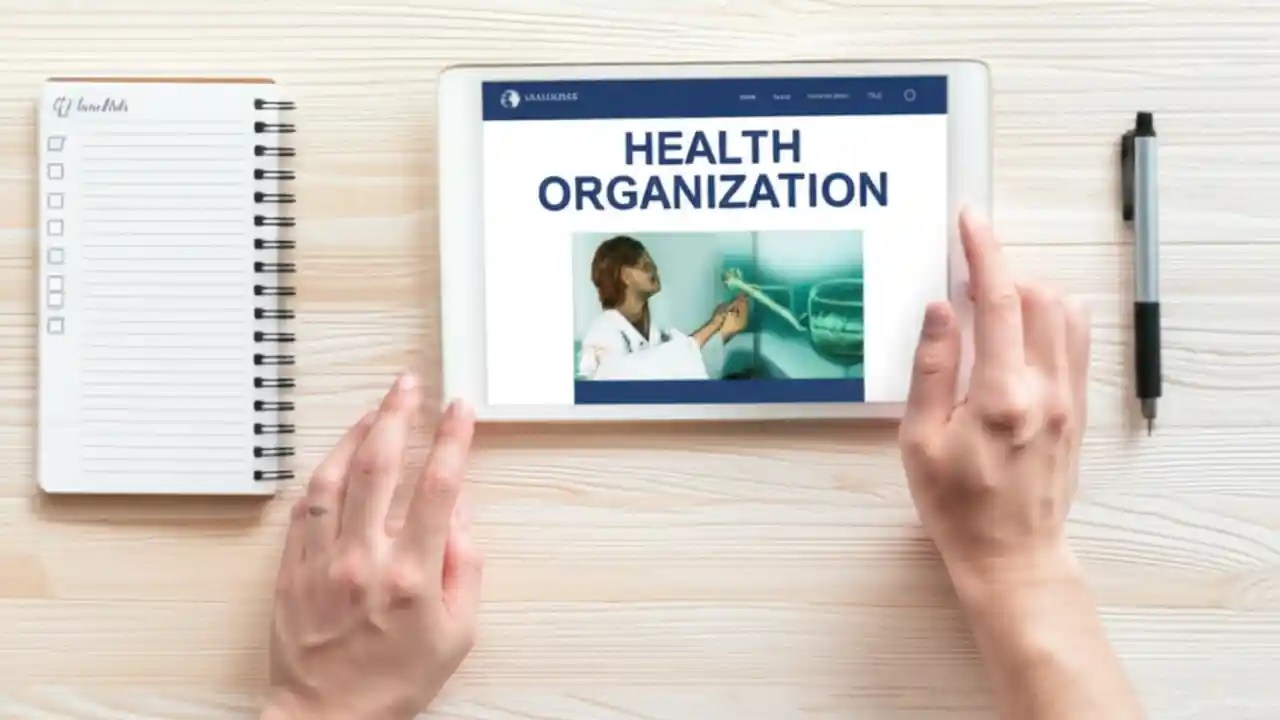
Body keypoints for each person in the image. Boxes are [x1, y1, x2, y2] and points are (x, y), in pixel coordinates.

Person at [260, 211, 1144, 720]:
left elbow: (675, 350)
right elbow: (622, 369)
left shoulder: (650, 330)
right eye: (641, 262)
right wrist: (1019, 567)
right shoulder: (599, 340)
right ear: (618, 278)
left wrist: (318, 705)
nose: (652, 268)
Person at [577, 234, 749, 381]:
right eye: (645, 266)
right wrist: (712, 326)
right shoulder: (601, 335)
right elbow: (643, 374)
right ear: (625, 276)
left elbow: (689, 365)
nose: (654, 270)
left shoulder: (661, 332)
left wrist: (723, 330)